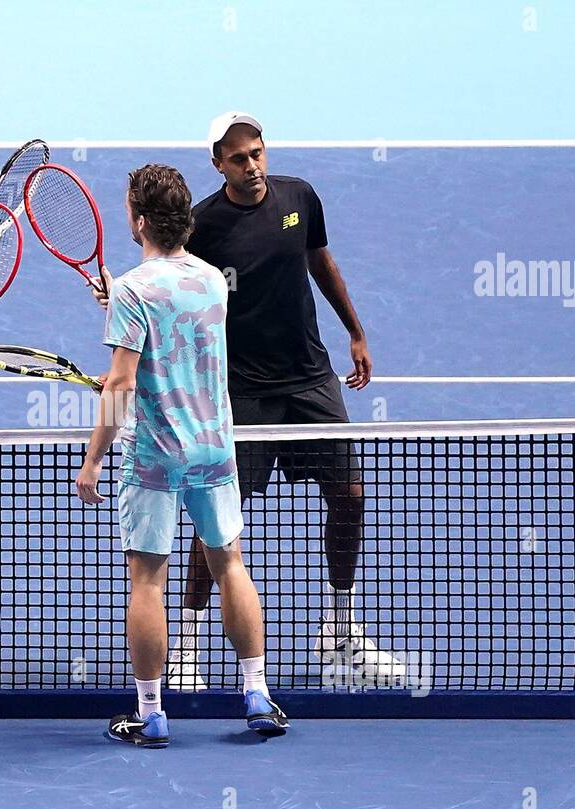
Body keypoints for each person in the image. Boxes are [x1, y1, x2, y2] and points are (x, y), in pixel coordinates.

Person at [171, 111, 403, 688]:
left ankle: (341, 633)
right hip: (243, 389)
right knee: (216, 522)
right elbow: (173, 284)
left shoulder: (300, 197)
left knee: (349, 495)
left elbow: (319, 261)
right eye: (238, 158)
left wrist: (355, 330)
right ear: (217, 164)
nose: (252, 166)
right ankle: (187, 646)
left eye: (257, 153)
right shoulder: (203, 225)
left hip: (309, 378)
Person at [76, 164, 289, 748]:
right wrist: (121, 303)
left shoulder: (130, 290)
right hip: (215, 448)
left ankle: (151, 714)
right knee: (230, 565)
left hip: (155, 455)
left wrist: (93, 458)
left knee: (147, 581)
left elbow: (120, 384)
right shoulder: (212, 279)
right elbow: (175, 339)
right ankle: (258, 695)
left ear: (139, 220)